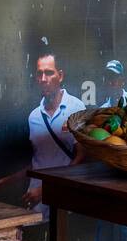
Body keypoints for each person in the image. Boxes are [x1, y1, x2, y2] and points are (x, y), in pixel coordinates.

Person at [25, 50, 85, 207]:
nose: (43, 79)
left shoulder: (76, 108)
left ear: (60, 75)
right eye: (39, 74)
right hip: (36, 199)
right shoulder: (34, 117)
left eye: (49, 73)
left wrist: (45, 189)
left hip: (63, 196)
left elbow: (82, 157)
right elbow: (38, 159)